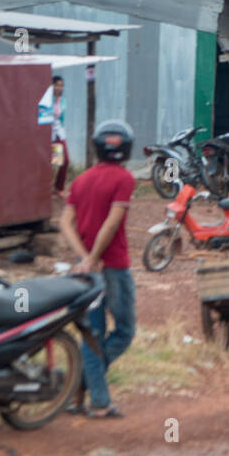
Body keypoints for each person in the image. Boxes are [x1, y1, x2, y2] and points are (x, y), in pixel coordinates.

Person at [59, 119, 136, 419]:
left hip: (86, 271)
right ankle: (93, 395)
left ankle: (84, 398)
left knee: (92, 334)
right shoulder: (124, 179)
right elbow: (113, 222)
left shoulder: (81, 180)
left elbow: (65, 222)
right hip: (113, 267)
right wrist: (94, 256)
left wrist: (84, 258)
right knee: (125, 331)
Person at [38, 76, 69, 194]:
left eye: (61, 85)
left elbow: (61, 119)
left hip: (59, 134)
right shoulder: (47, 100)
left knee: (63, 161)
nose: (59, 88)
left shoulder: (62, 101)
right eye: (57, 85)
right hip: (48, 134)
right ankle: (46, 188)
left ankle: (58, 187)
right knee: (53, 161)